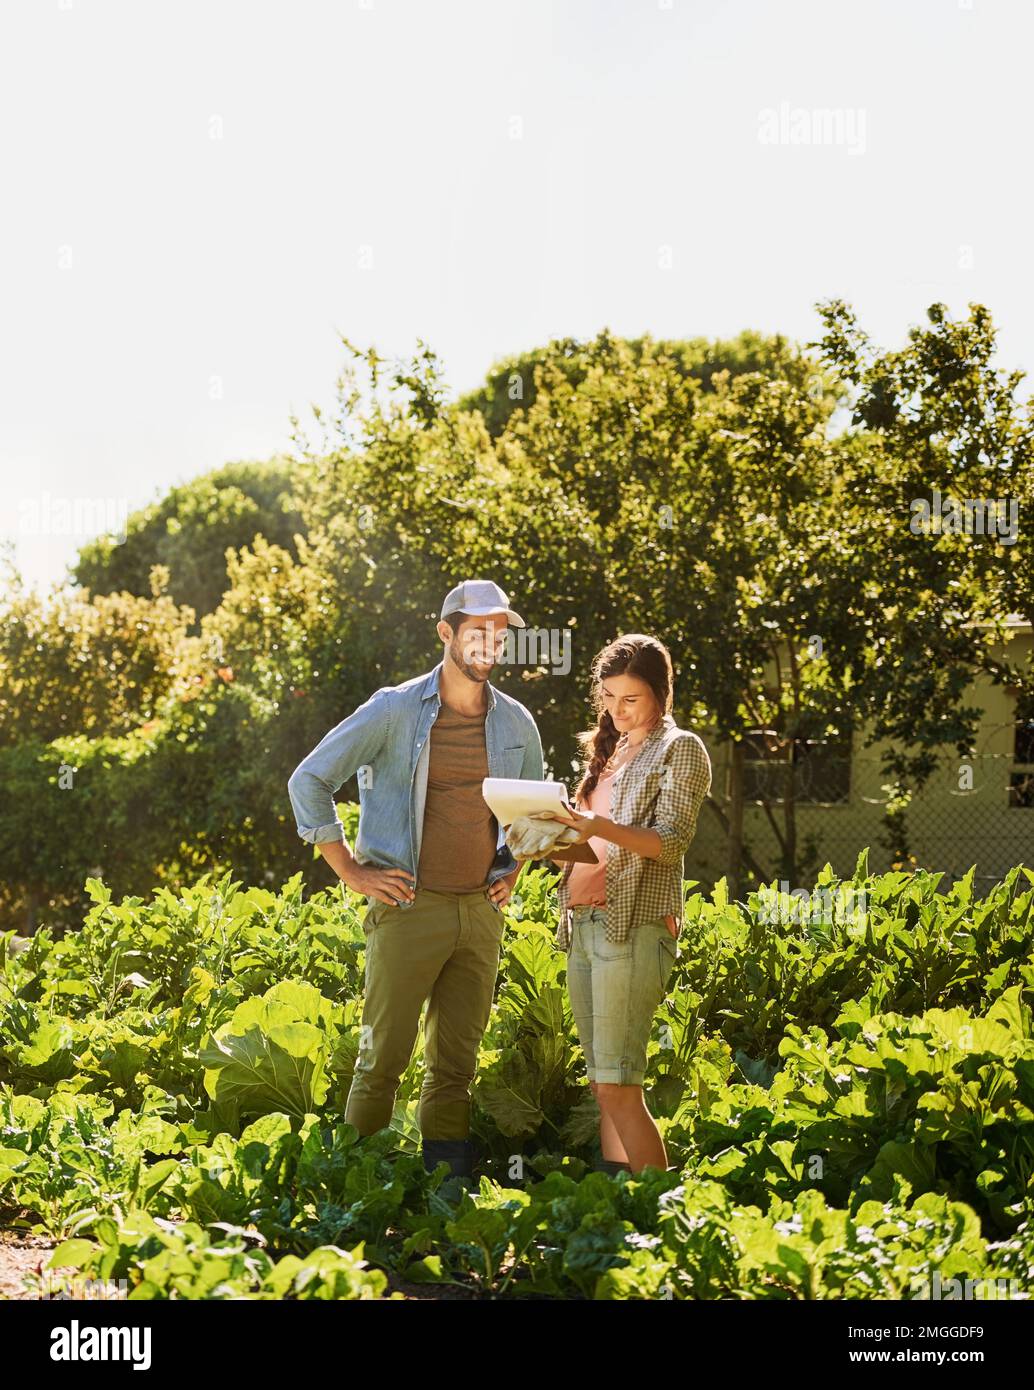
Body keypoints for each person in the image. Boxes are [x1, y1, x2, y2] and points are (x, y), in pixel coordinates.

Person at [287, 579, 544, 1180]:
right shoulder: (394, 709)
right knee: (382, 1062)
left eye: (500, 634)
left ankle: (443, 1197)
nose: (489, 644)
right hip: (408, 908)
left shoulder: (517, 724)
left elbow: (533, 812)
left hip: (480, 914)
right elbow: (310, 779)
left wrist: (517, 868)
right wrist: (349, 869)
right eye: (477, 631)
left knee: (456, 1067)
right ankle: (353, 1196)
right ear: (447, 633)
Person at [521, 634, 711, 1176]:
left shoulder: (680, 749)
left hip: (631, 926)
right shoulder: (607, 753)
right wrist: (542, 840)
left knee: (620, 1083)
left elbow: (668, 840)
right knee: (603, 1083)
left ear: (661, 693)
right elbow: (588, 849)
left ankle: (656, 1209)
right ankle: (617, 1202)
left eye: (632, 698)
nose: (618, 710)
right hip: (582, 923)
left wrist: (597, 825)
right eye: (609, 696)